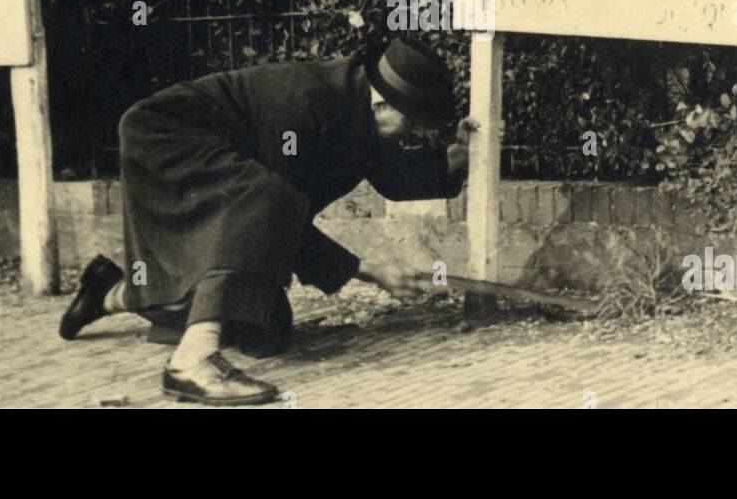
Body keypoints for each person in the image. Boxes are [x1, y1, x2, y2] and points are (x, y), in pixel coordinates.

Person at [59, 37, 476, 405]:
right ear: (383, 104)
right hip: (164, 138)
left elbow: (396, 179)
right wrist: (366, 270)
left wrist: (455, 158)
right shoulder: (306, 103)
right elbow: (274, 214)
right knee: (264, 199)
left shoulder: (361, 108)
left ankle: (108, 292)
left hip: (237, 179)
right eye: (413, 122)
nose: (413, 133)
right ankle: (190, 364)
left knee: (265, 332)